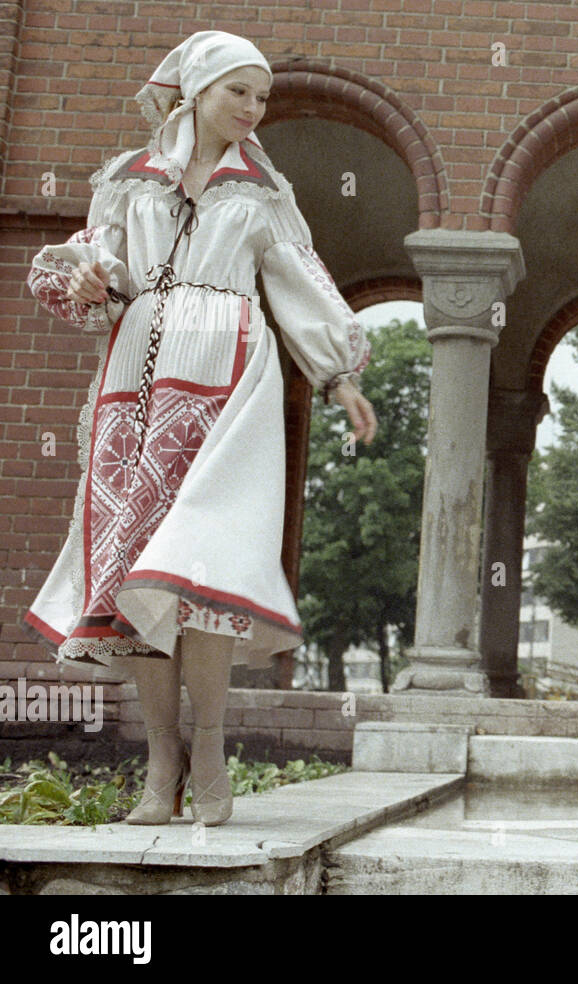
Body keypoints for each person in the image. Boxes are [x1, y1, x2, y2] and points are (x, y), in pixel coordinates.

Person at [22, 31, 377, 826]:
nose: (254, 110)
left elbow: (299, 284)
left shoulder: (262, 193)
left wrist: (341, 373)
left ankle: (210, 744)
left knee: (201, 567)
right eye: (239, 92)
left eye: (262, 97)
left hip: (228, 382)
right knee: (139, 575)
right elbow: (94, 269)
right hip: (133, 389)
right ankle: (161, 761)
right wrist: (88, 275)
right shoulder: (127, 181)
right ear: (195, 93)